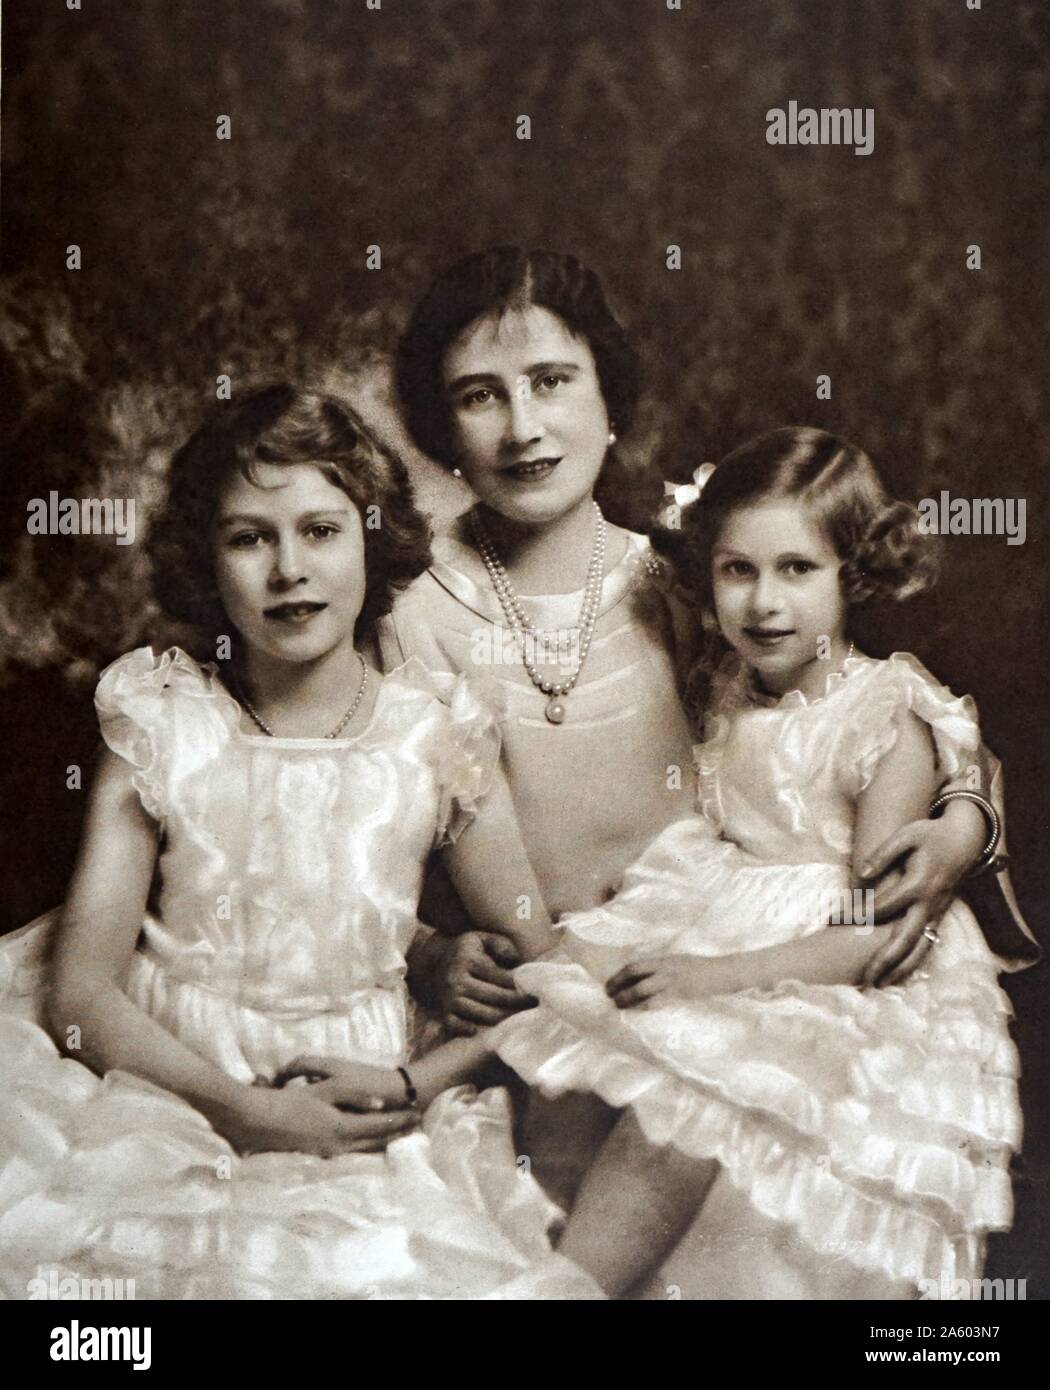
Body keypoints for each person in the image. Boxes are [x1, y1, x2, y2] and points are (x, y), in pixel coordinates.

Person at [380, 246, 1015, 1214]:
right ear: (441, 427)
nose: (523, 427)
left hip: (708, 988)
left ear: (610, 399)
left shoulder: (689, 579)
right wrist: (427, 949)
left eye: (552, 381)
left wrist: (967, 817)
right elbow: (325, 818)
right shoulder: (406, 609)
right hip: (531, 1006)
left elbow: (870, 715)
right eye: (479, 395)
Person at [0, 385, 602, 1300]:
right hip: (165, 1087)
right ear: (206, 559)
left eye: (321, 531)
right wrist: (246, 1112)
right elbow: (80, 990)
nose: (289, 569)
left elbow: (545, 976)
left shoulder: (435, 733)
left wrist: (413, 1082)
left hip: (365, 1097)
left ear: (371, 540)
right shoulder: (161, 720)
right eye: (250, 538)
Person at [493, 426, 1037, 1298]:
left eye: (797, 570)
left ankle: (571, 1287)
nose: (764, 603)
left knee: (693, 1111)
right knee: (576, 1046)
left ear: (853, 575)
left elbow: (874, 927)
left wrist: (713, 977)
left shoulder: (886, 713)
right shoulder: (730, 687)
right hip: (727, 920)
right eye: (738, 570)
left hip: (837, 981)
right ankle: (558, 1271)